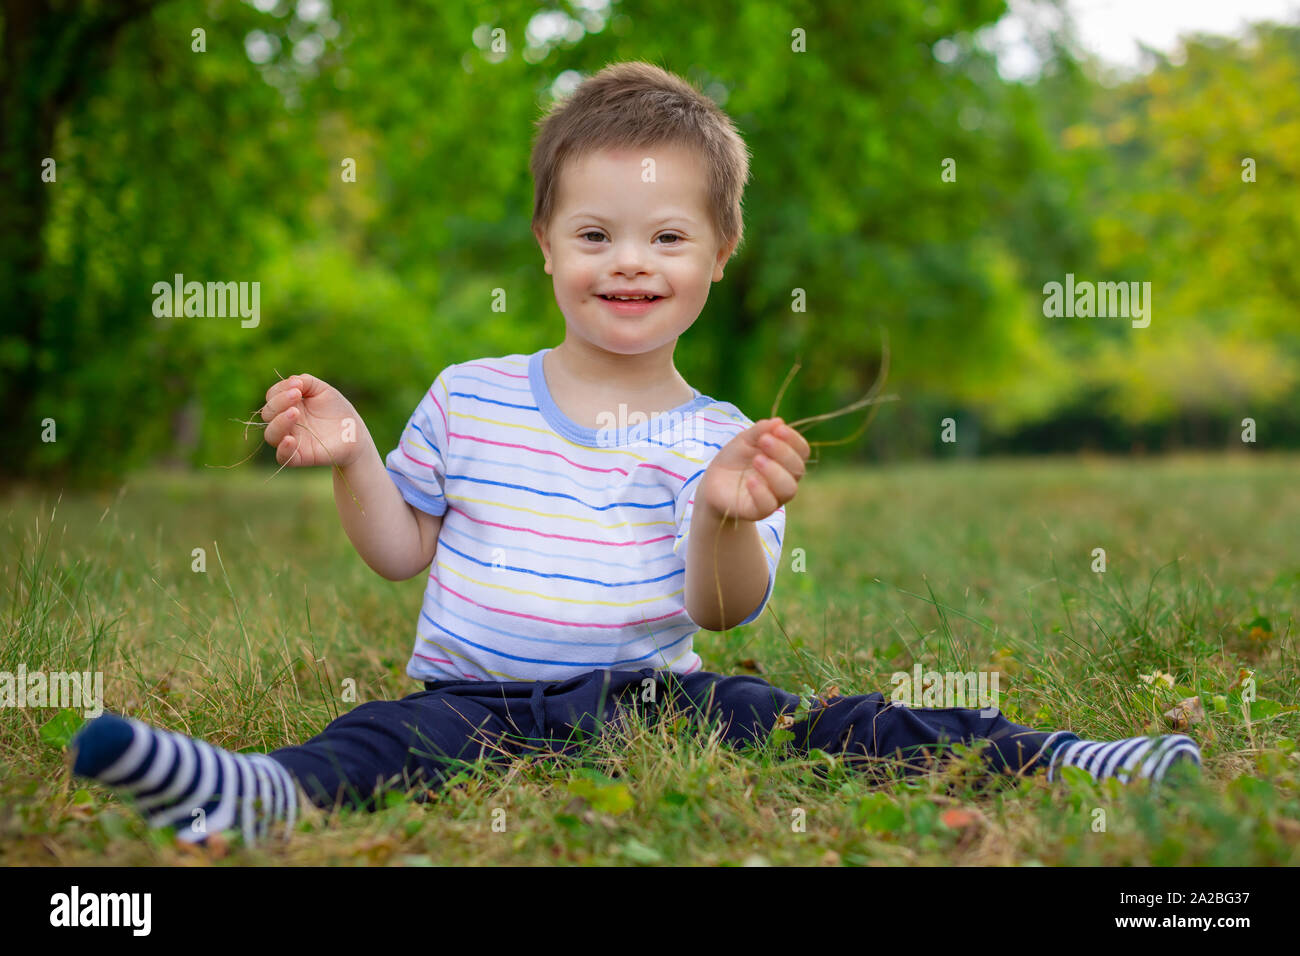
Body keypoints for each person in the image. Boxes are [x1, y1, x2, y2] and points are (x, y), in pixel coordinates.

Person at [69, 61, 1200, 847]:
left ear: (719, 254)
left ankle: (1064, 757)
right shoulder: (470, 396)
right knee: (384, 737)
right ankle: (259, 790)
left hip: (655, 701)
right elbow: (398, 553)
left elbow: (720, 612)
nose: (629, 262)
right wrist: (356, 452)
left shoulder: (724, 438)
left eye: (667, 237)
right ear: (545, 245)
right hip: (475, 697)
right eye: (594, 233)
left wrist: (717, 513)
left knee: (818, 720)